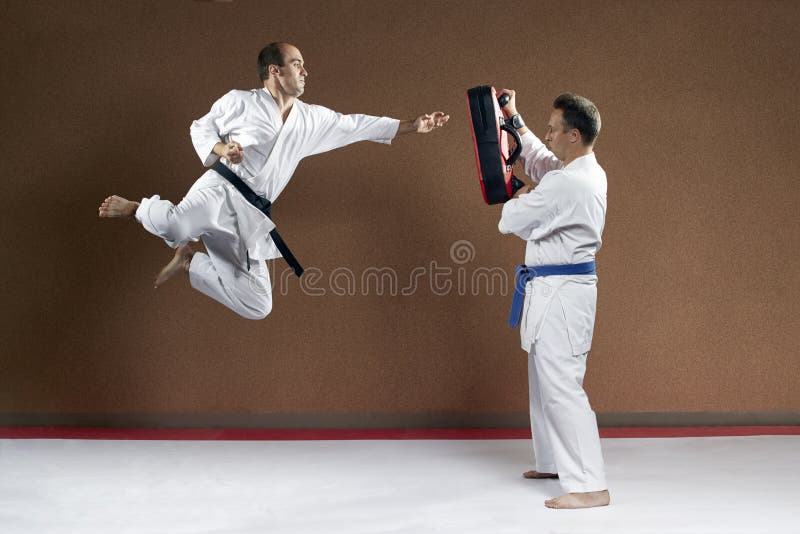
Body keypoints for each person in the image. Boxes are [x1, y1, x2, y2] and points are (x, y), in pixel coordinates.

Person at [98, 42, 449, 319]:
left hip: (250, 215)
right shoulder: (240, 101)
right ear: (274, 71)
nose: (305, 71)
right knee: (175, 227)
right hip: (221, 191)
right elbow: (200, 128)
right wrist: (222, 149)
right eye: (297, 64)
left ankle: (190, 261)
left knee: (258, 303)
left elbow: (355, 124)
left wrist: (411, 126)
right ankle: (137, 208)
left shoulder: (311, 120)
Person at [497, 90, 610, 509]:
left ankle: (590, 485)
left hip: (562, 295)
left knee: (561, 384)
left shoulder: (569, 182)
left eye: (553, 129)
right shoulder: (583, 170)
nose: (547, 135)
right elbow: (542, 160)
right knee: (544, 381)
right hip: (554, 290)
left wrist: (520, 198)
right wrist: (514, 118)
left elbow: (511, 221)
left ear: (573, 135)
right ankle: (553, 462)